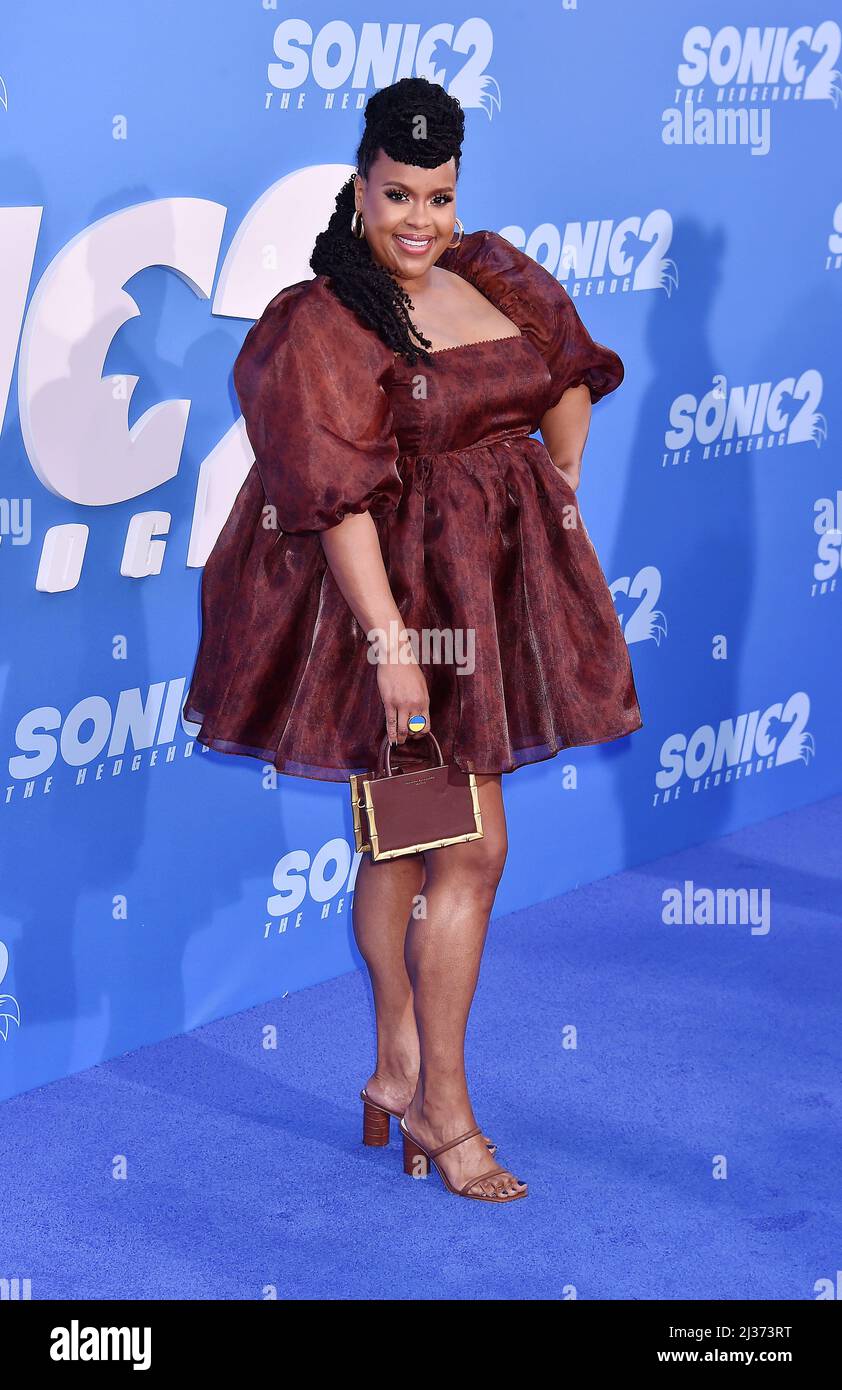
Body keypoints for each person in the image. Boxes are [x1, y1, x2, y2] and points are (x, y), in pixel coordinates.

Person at [183, 76, 643, 1203]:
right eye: (396, 195)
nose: (419, 222)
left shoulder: (488, 268)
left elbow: (566, 367)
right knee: (468, 850)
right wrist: (390, 643)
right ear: (359, 185)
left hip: (484, 599)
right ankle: (441, 1104)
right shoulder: (323, 317)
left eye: (436, 196)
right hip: (392, 613)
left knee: (405, 843)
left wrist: (550, 490)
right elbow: (330, 497)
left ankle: (394, 1070)